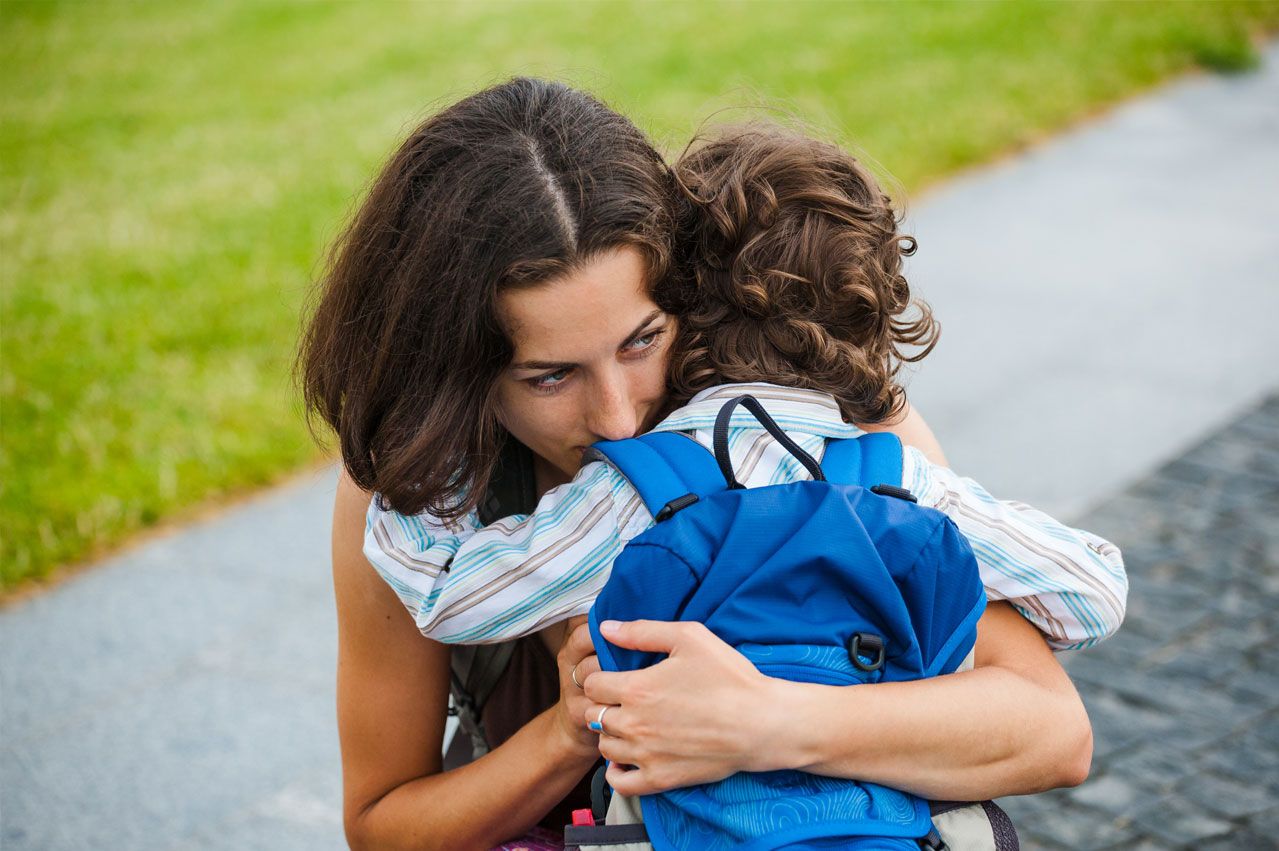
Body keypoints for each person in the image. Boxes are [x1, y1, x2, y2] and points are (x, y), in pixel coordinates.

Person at [300, 79, 1109, 850]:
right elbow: (381, 826)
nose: (616, 415)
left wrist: (763, 721)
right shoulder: (418, 491)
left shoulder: (826, 415)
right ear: (456, 372)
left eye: (642, 340)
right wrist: (566, 729)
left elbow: (1051, 730)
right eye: (550, 375)